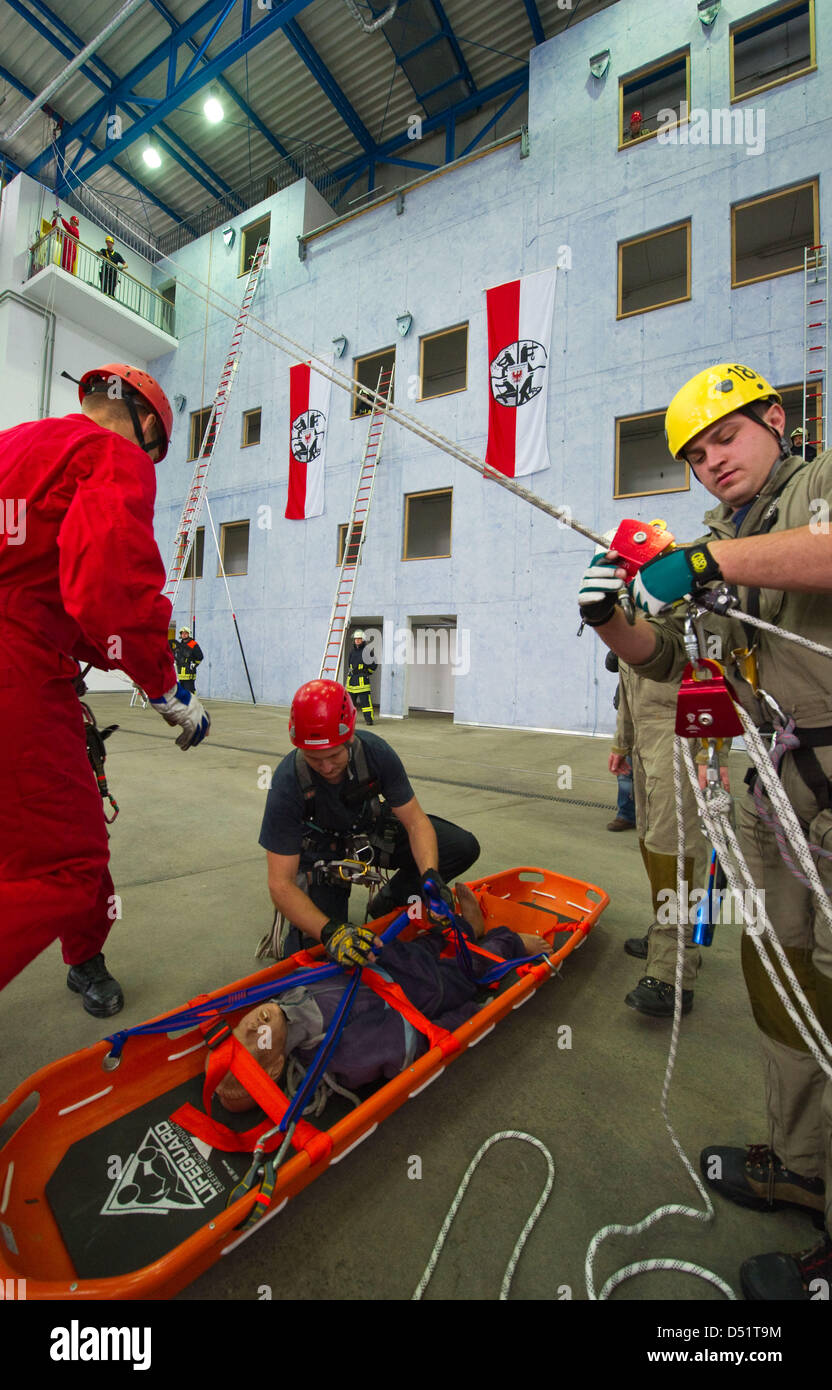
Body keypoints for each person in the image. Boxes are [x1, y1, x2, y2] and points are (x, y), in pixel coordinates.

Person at [577, 361, 832, 1298]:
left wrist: (710, 564)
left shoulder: (815, 485)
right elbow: (669, 657)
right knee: (782, 981)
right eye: (693, 454)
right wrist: (611, 620)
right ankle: (806, 1164)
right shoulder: (721, 538)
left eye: (724, 436)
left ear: (774, 418)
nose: (710, 461)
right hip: (772, 793)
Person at [0, 363, 211, 1015]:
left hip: (30, 646)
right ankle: (83, 955)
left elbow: (64, 595)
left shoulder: (17, 445)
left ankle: (85, 957)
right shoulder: (110, 455)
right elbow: (108, 592)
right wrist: (164, 683)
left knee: (53, 833)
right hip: (15, 670)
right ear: (145, 424)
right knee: (67, 861)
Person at [215, 882, 552, 1110]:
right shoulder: (342, 1057)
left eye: (238, 1028)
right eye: (253, 1039)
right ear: (275, 1067)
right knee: (469, 969)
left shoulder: (284, 992)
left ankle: (468, 928)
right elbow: (416, 1041)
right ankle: (508, 943)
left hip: (390, 960)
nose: (251, 1023)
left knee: (430, 944)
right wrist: (472, 1013)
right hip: (424, 992)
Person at [259, 679, 480, 966]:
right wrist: (328, 931)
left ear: (349, 737)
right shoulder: (288, 782)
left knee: (461, 846)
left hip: (370, 832)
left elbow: (415, 822)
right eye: (315, 759)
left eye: (334, 755)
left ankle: (391, 900)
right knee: (313, 958)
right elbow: (280, 883)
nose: (326, 767)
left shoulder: (375, 753)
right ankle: (326, 920)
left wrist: (430, 875)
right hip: (322, 857)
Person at [612, 660, 708, 1017]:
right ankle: (669, 936)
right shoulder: (630, 608)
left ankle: (674, 970)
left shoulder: (688, 604)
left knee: (678, 851)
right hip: (645, 739)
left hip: (683, 734)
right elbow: (627, 691)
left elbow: (713, 675)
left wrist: (712, 754)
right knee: (652, 843)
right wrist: (622, 743)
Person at [605, 650, 636, 831]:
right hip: (628, 711)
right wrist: (617, 647)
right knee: (625, 770)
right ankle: (626, 815)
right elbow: (610, 666)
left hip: (655, 712)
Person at [345, 628, 376, 724]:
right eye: (356, 639)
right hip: (352, 681)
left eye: (359, 639)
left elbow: (374, 665)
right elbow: (349, 664)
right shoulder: (352, 652)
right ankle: (348, 720)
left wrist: (366, 672)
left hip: (362, 681)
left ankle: (369, 720)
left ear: (363, 640)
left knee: (366, 703)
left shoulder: (367, 651)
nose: (357, 640)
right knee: (349, 704)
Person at [174, 626, 204, 694]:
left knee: (189, 692)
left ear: (189, 634)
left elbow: (200, 657)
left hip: (189, 673)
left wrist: (194, 664)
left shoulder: (193, 644)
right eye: (182, 633)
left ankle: (192, 703)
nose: (184, 635)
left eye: (186, 633)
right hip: (180, 674)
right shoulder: (179, 645)